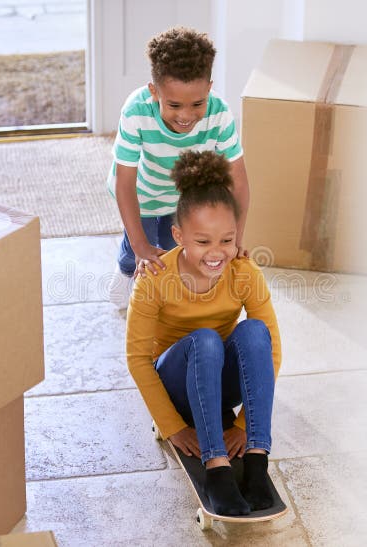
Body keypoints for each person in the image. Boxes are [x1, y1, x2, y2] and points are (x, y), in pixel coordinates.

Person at [126, 150, 280, 516]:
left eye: (226, 240)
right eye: (203, 241)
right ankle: (217, 468)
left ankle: (258, 460)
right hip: (177, 383)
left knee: (256, 332)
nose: (217, 252)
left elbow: (270, 352)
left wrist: (244, 425)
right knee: (207, 339)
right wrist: (172, 426)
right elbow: (136, 358)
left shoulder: (244, 271)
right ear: (178, 235)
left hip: (218, 384)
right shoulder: (154, 279)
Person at [106, 26, 250, 309]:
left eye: (197, 103)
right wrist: (139, 248)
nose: (186, 116)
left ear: (209, 88)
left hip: (184, 198)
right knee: (140, 246)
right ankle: (124, 267)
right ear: (155, 92)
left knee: (172, 251)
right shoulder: (136, 111)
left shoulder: (219, 113)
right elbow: (125, 183)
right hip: (142, 196)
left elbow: (239, 183)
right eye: (174, 105)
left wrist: (236, 240)